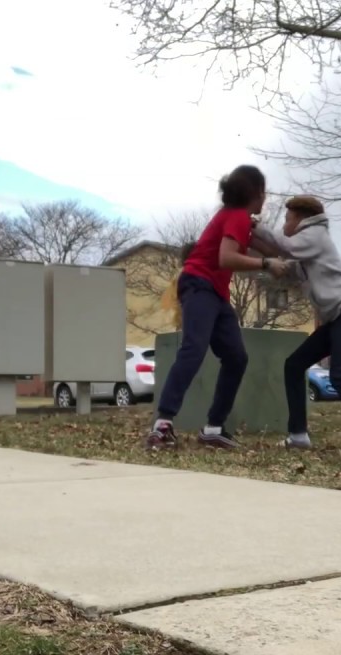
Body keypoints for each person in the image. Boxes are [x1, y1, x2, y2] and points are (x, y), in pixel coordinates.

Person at [146, 165, 290, 450]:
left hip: (216, 294)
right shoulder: (235, 216)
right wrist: (265, 265)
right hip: (199, 285)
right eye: (264, 191)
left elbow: (274, 249)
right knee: (194, 350)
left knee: (236, 357)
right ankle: (163, 425)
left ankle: (213, 428)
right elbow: (227, 258)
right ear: (255, 192)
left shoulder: (240, 220)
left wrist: (291, 249)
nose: (266, 197)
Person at [254, 195, 341, 459]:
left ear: (301, 219)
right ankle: (298, 435)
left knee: (339, 375)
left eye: (287, 218)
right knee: (294, 364)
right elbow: (281, 262)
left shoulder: (314, 235)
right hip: (337, 318)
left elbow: (286, 247)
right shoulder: (306, 250)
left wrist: (255, 227)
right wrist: (250, 243)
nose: (284, 223)